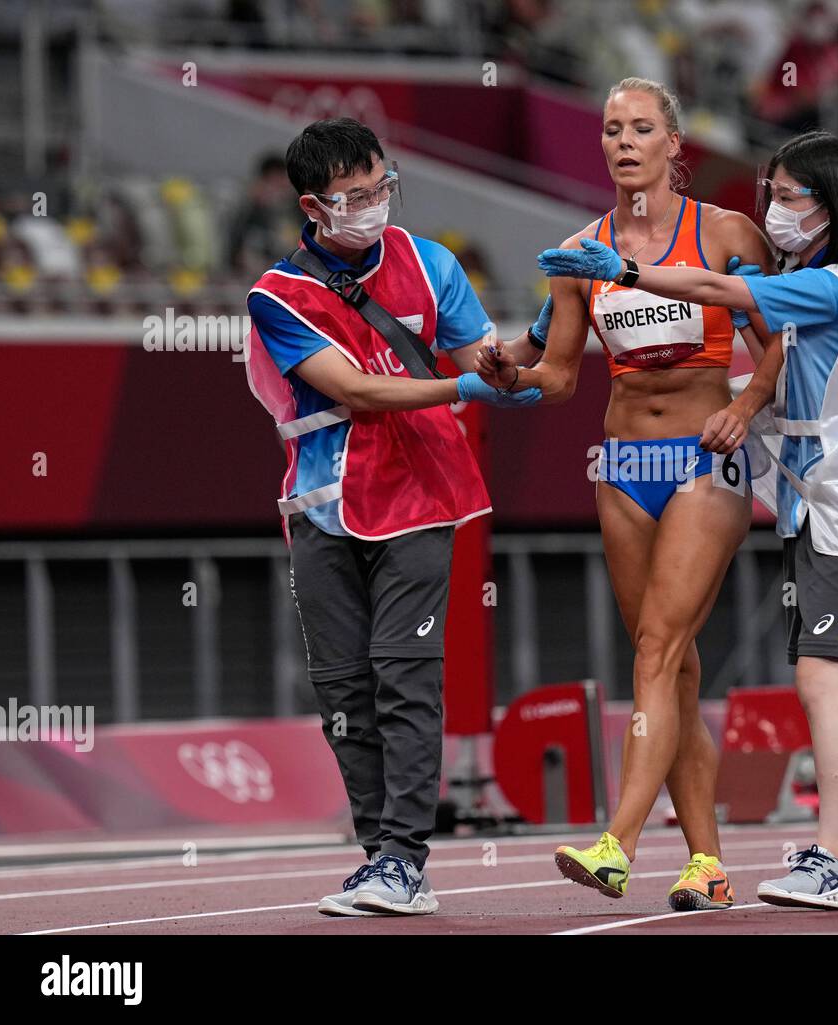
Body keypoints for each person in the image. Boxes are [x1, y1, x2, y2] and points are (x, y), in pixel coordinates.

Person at [537, 130, 838, 909]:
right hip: (830, 507)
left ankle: (833, 859)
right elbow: (776, 377)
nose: (771, 209)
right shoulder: (826, 285)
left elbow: (722, 295)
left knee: (819, 681)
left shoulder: (829, 284)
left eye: (787, 196)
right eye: (768, 192)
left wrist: (628, 270)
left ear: (830, 208)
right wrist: (743, 403)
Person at [477, 77, 780, 911]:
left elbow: (784, 333)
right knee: (671, 668)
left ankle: (620, 841)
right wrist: (513, 372)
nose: (624, 141)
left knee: (653, 650)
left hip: (702, 461)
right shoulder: (581, 252)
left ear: (674, 145)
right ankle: (709, 864)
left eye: (642, 127)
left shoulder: (722, 233)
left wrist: (747, 406)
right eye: (613, 128)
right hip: (623, 469)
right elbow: (562, 376)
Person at [243, 117, 543, 917]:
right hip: (321, 499)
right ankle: (379, 853)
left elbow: (486, 355)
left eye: (382, 185)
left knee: (403, 677)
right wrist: (463, 389)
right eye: (356, 194)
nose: (376, 203)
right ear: (313, 204)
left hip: (420, 491)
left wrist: (526, 351)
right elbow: (357, 391)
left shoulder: (430, 261)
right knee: (342, 688)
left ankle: (404, 859)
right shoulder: (277, 295)